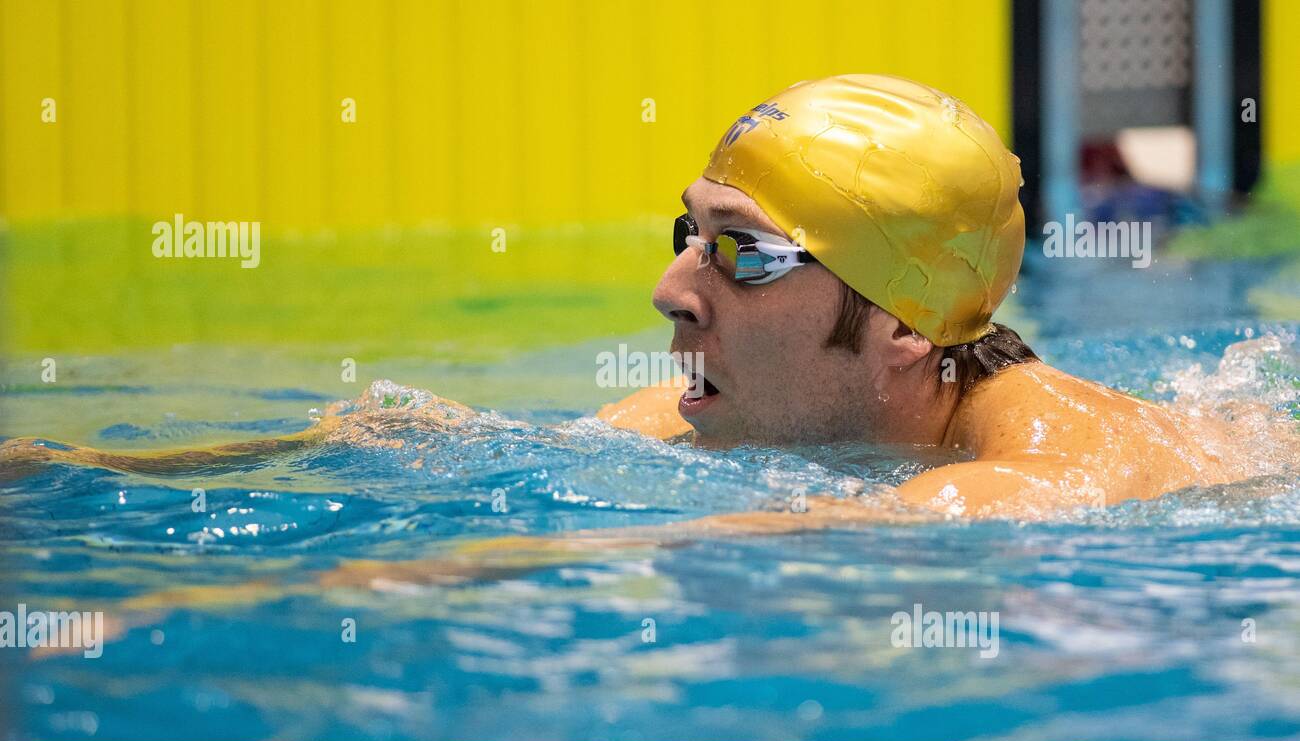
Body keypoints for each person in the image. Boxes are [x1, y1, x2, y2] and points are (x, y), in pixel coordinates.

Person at [1, 75, 1290, 522]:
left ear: (899, 325)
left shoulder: (1044, 482)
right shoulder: (782, 401)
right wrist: (71, 470)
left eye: (742, 252)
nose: (671, 291)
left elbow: (577, 549)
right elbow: (465, 455)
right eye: (688, 235)